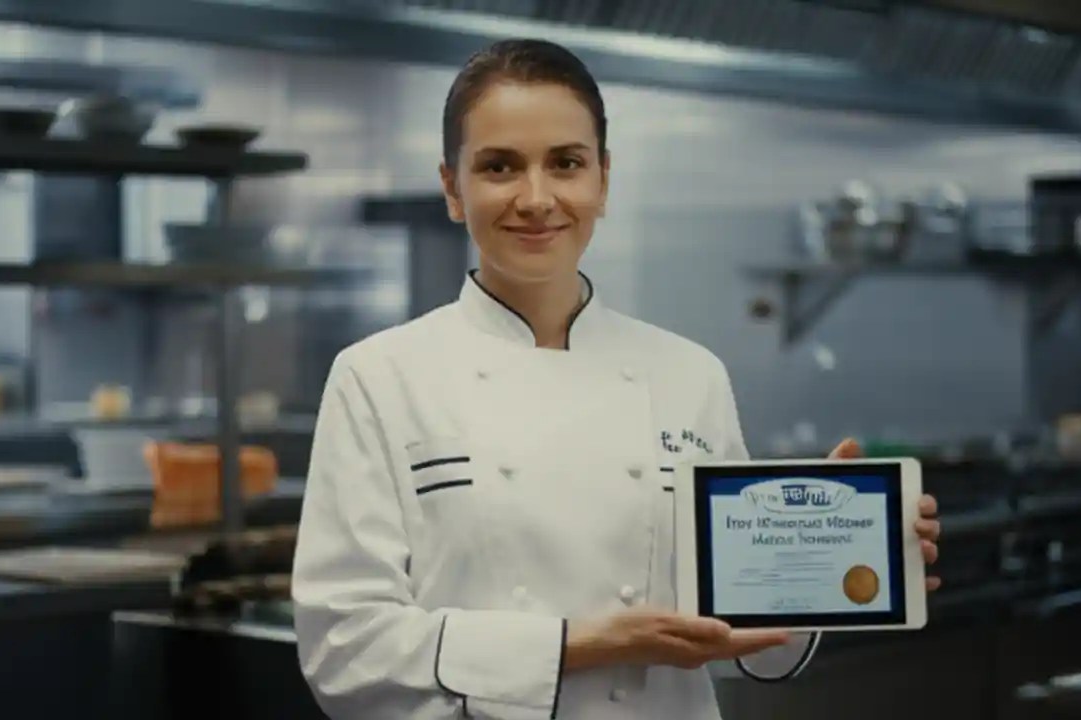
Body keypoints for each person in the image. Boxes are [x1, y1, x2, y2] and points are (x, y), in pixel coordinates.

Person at [291, 38, 942, 720]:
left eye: (566, 164)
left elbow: (756, 645)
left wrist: (832, 555)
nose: (536, 198)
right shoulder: (379, 377)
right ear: (453, 188)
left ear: (603, 179)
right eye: (499, 166)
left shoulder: (690, 374)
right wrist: (576, 646)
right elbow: (346, 649)